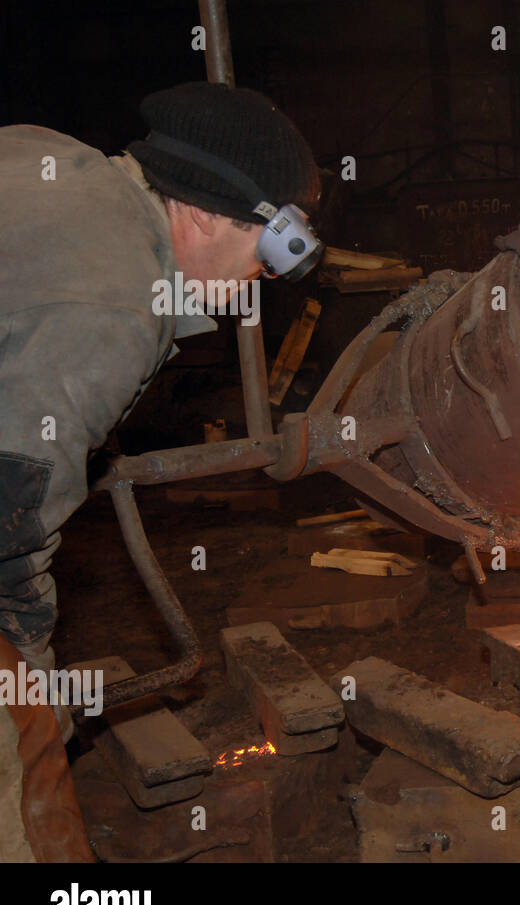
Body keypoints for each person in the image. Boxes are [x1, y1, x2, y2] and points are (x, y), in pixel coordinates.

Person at [0, 81, 321, 861]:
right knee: (24, 778)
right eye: (270, 248)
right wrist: (30, 687)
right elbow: (11, 519)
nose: (264, 280)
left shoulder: (49, 158)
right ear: (205, 213)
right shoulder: (115, 304)